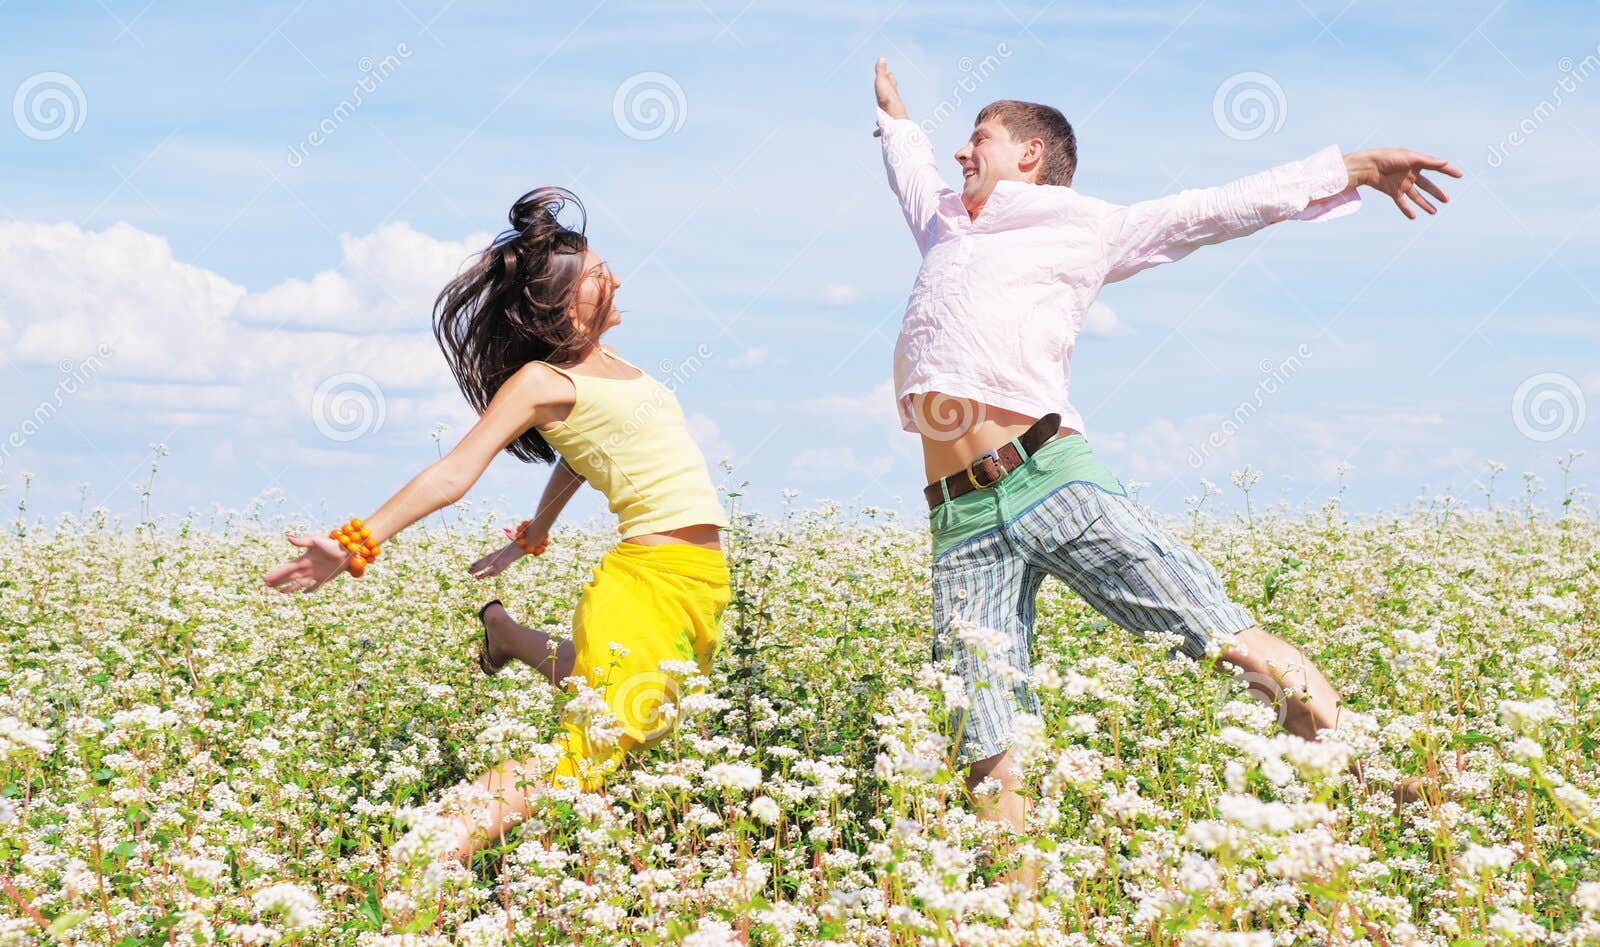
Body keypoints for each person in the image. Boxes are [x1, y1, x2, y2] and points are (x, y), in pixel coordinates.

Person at [871, 58, 1458, 857]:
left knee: (1219, 636)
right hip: (959, 516)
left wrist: (1351, 167)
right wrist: (895, 116)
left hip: (1049, 477)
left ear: (1031, 154)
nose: (961, 152)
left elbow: (1214, 209)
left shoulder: (1081, 225)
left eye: (979, 138)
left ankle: (1374, 777)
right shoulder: (946, 224)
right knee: (986, 731)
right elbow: (910, 168)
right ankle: (1013, 923)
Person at [263, 187, 731, 867]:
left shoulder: (618, 371)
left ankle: (507, 635)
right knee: (589, 749)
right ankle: (416, 861)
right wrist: (353, 543)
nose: (618, 281)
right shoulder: (540, 381)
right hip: (648, 582)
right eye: (599, 275)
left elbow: (583, 453)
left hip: (698, 580)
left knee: (642, 713)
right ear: (562, 303)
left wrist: (533, 532)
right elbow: (454, 472)